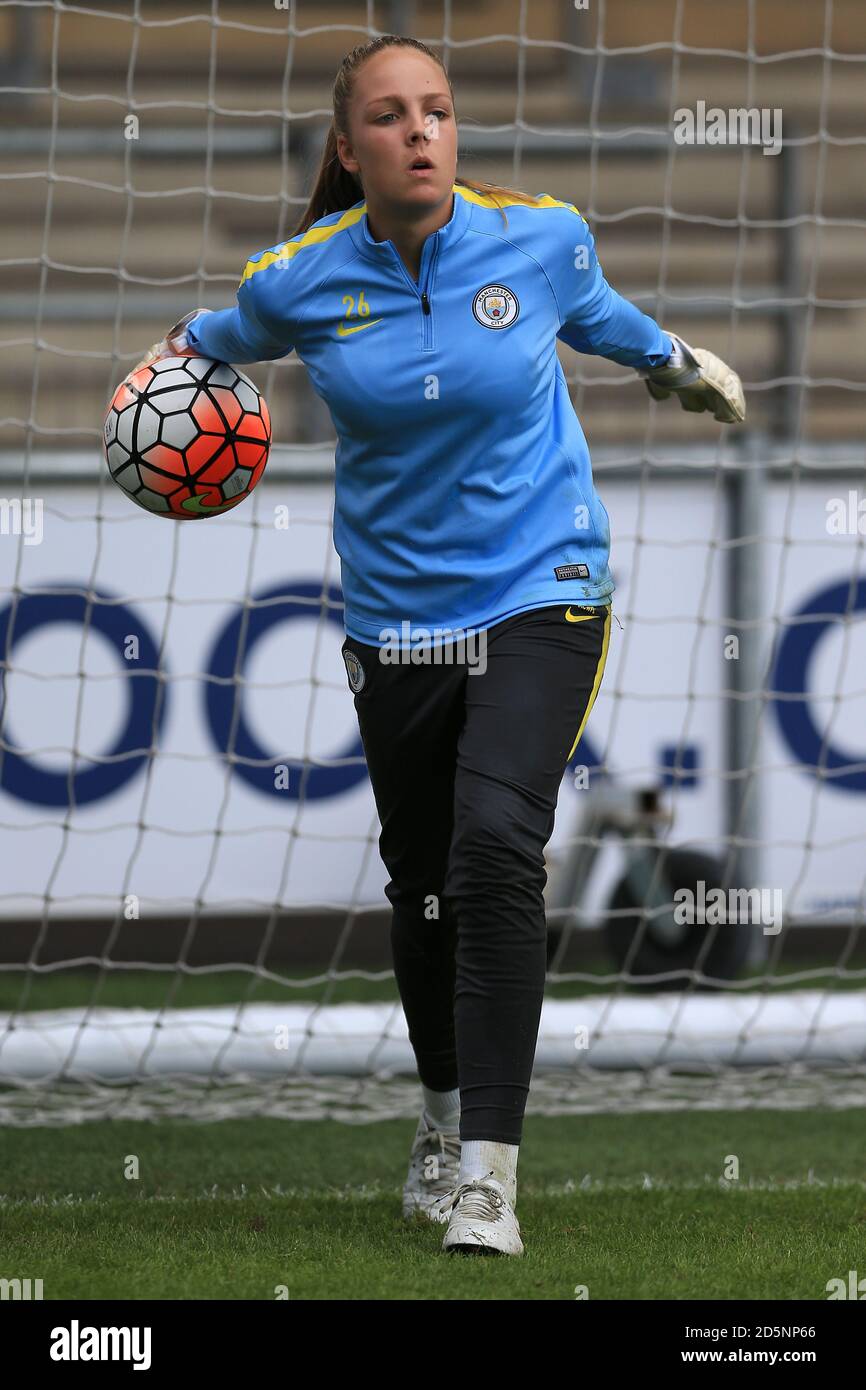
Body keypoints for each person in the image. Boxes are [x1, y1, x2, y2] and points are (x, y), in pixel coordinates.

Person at [135, 34, 744, 1257]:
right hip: (393, 621)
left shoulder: (538, 236)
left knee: (491, 846)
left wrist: (676, 367)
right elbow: (198, 347)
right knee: (419, 884)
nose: (421, 132)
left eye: (439, 112)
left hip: (542, 588)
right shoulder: (295, 280)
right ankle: (437, 1113)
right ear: (348, 149)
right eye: (391, 117)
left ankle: (486, 1177)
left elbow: (605, 317)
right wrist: (152, 424)